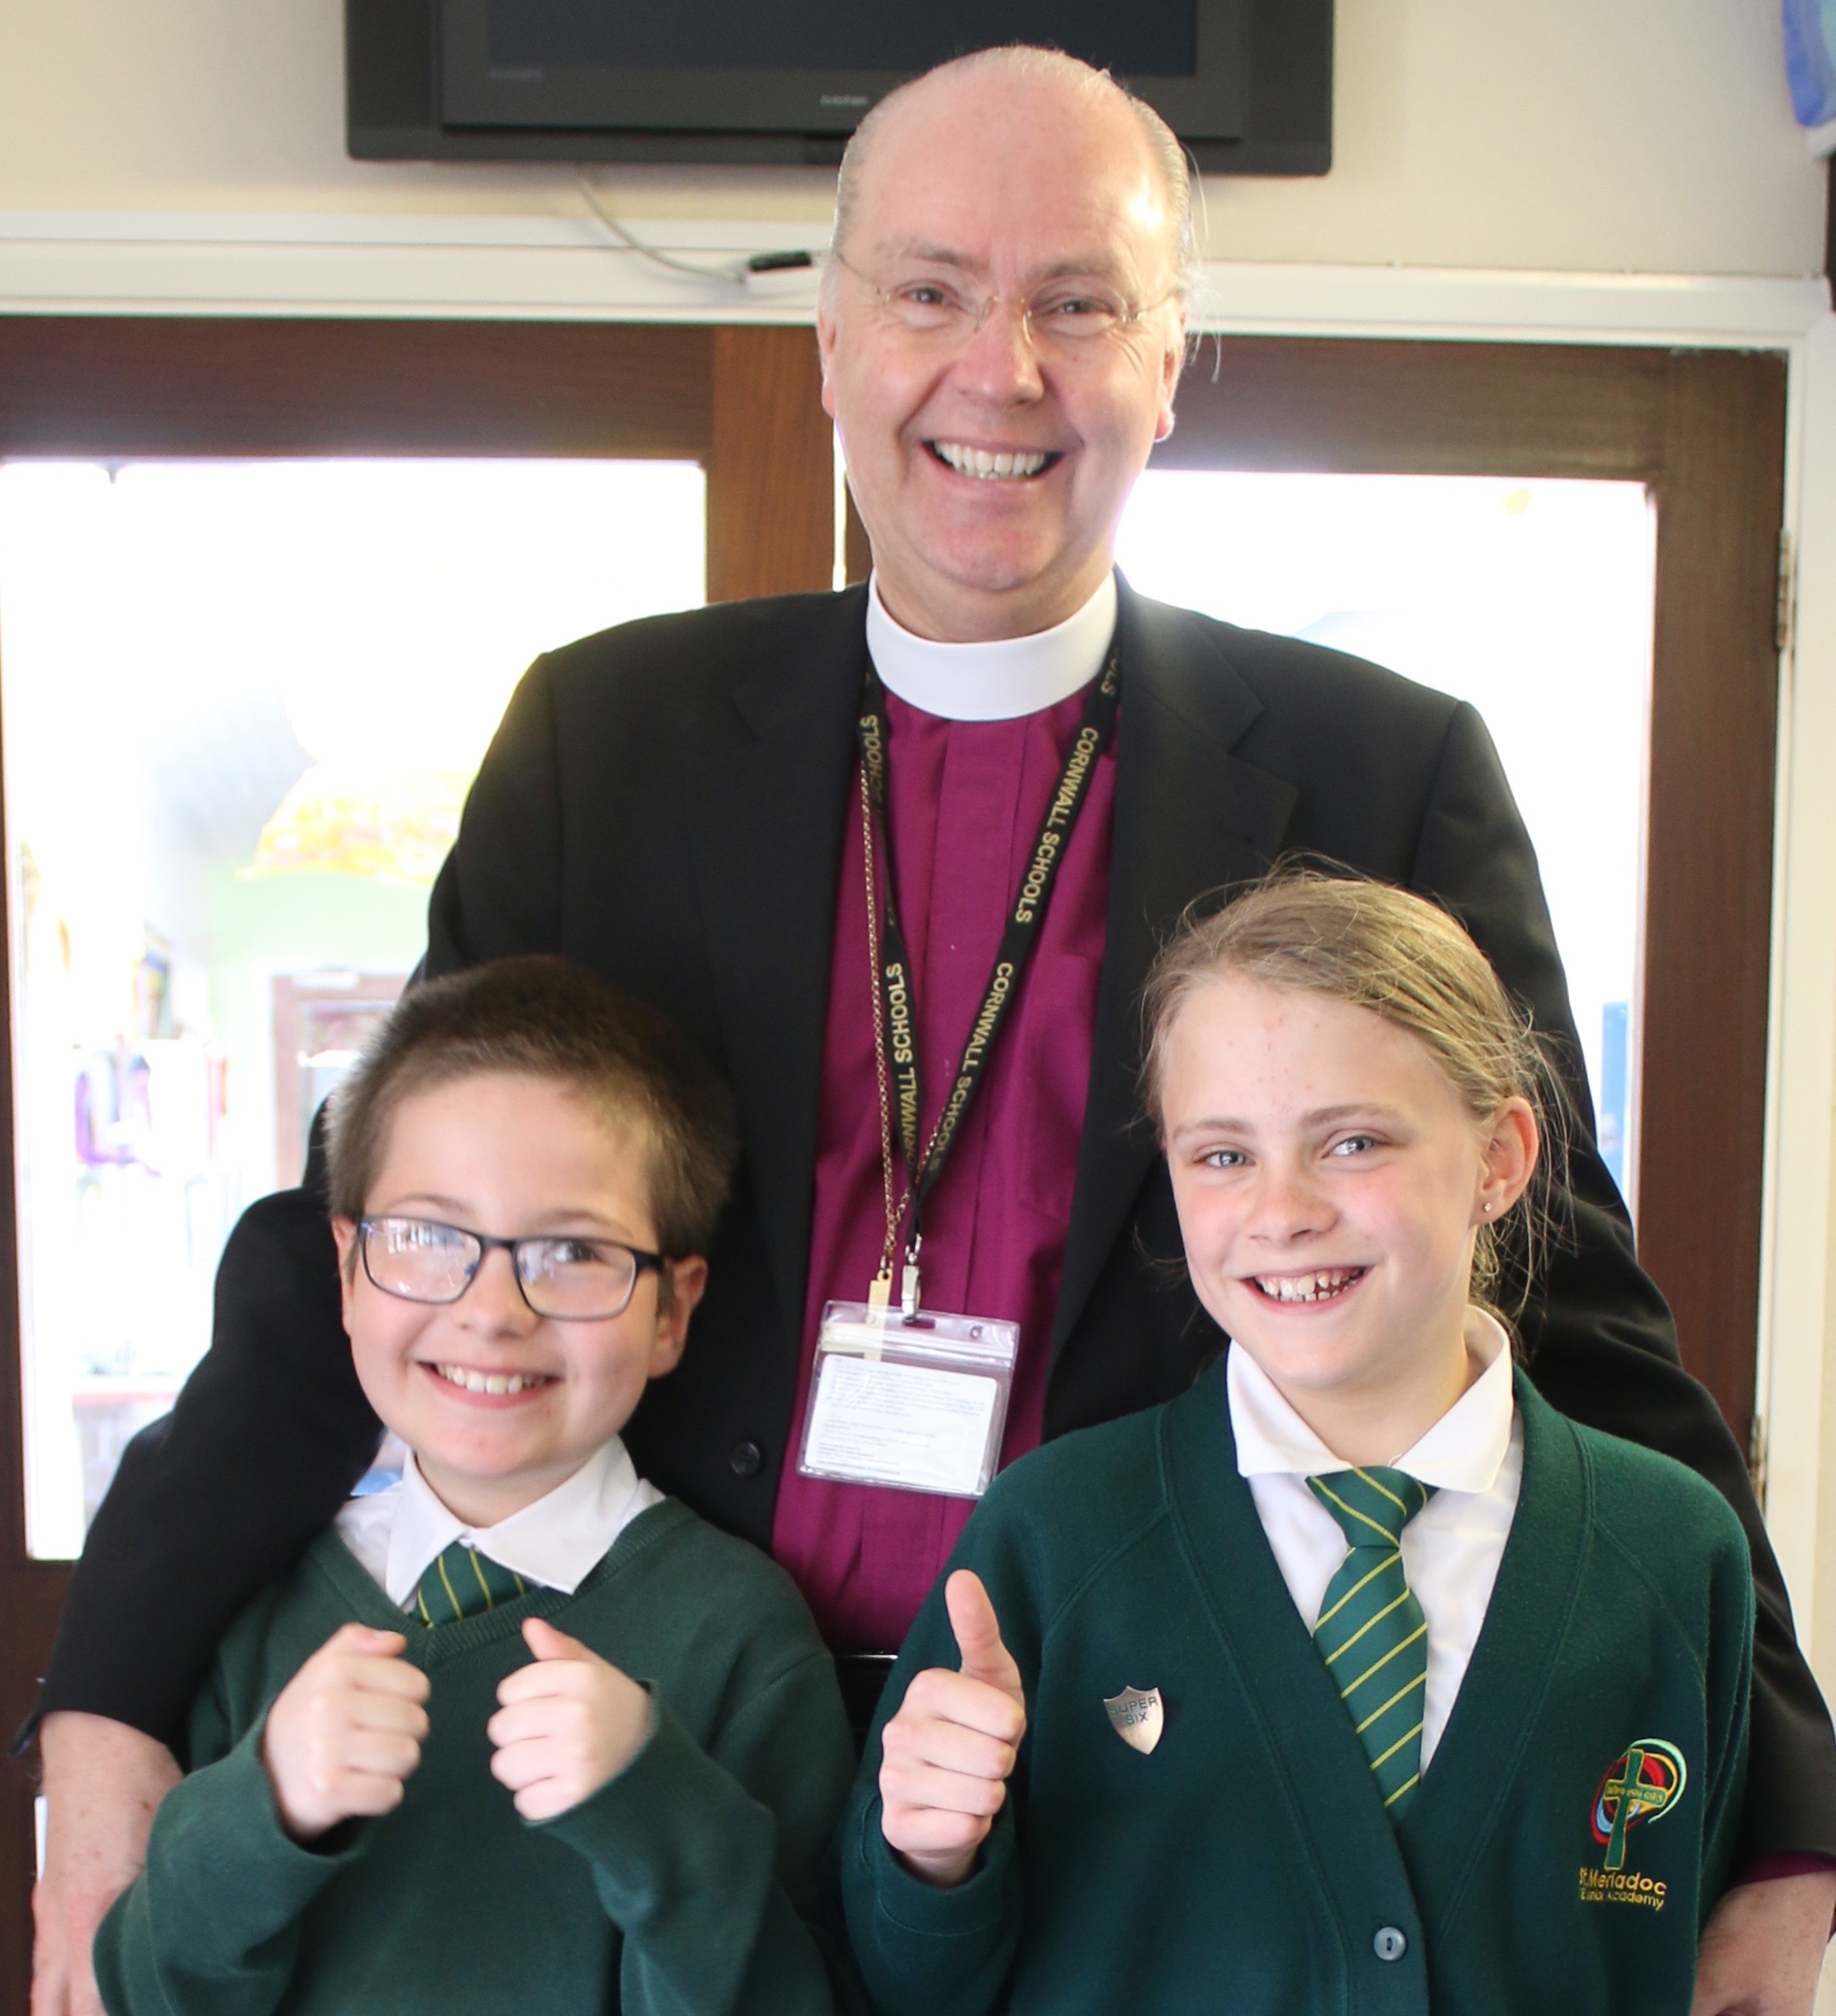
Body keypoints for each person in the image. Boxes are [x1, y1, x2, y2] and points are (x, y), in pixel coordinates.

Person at [27, 44, 1836, 2016]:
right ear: (830, 340)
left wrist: (1794, 1821)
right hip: (669, 1734)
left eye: (1081, 303)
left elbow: (1555, 1280)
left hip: (1133, 1788)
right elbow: (358, 1240)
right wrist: (105, 1718)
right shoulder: (604, 740)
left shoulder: (1373, 765)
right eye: (930, 292)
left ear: (1169, 362)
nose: (1005, 369)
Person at [845, 873, 1755, 2011]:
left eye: (1353, 1141)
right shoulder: (1052, 1537)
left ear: (1502, 1158)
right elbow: (902, 1974)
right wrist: (934, 1856)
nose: (1281, 1211)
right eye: (1222, 1155)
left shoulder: (1675, 1555)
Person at [89, 955, 856, 2016]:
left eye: (574, 1251)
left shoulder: (738, 1634)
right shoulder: (258, 1605)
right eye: (429, 1238)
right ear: (348, 1267)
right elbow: (145, 1992)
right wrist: (258, 1804)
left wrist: (656, 1804)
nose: (494, 1307)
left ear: (672, 1311)